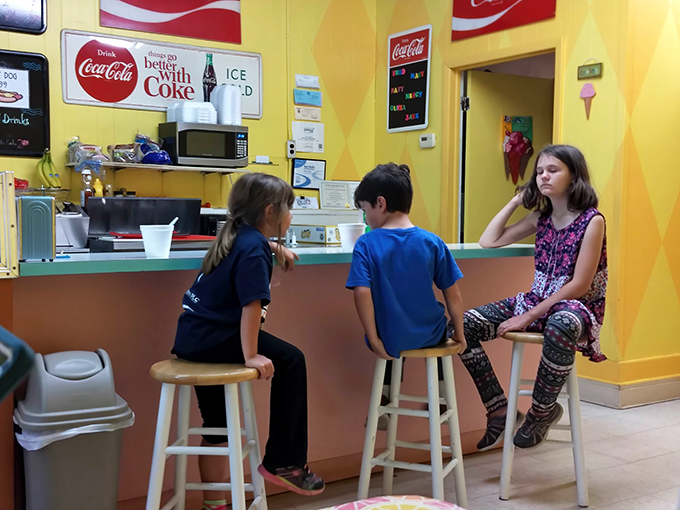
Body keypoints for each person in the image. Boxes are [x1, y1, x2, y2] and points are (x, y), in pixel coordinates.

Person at [172, 173, 325, 510]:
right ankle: (285, 463)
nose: (291, 216)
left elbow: (250, 249)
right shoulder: (253, 250)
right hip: (218, 338)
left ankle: (213, 504)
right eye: (289, 209)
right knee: (292, 360)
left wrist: (273, 245)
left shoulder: (236, 237)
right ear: (270, 211)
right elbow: (251, 306)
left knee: (218, 425)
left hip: (193, 338)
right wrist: (251, 354)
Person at [460, 144, 607, 451]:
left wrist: (527, 316)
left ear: (574, 175)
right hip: (537, 298)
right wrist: (517, 199)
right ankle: (499, 408)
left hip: (574, 307)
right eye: (539, 172)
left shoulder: (592, 221)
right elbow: (488, 241)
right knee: (464, 325)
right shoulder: (540, 217)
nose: (543, 177)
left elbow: (580, 285)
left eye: (553, 170)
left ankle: (542, 412)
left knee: (562, 324)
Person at [346, 163, 467, 414]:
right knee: (441, 320)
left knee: (388, 318)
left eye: (365, 210)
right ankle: (442, 396)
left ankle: (387, 399)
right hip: (430, 335)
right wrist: (460, 334)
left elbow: (361, 293)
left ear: (380, 204)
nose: (366, 218)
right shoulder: (432, 241)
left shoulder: (366, 244)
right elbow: (453, 295)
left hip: (389, 338)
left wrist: (374, 337)